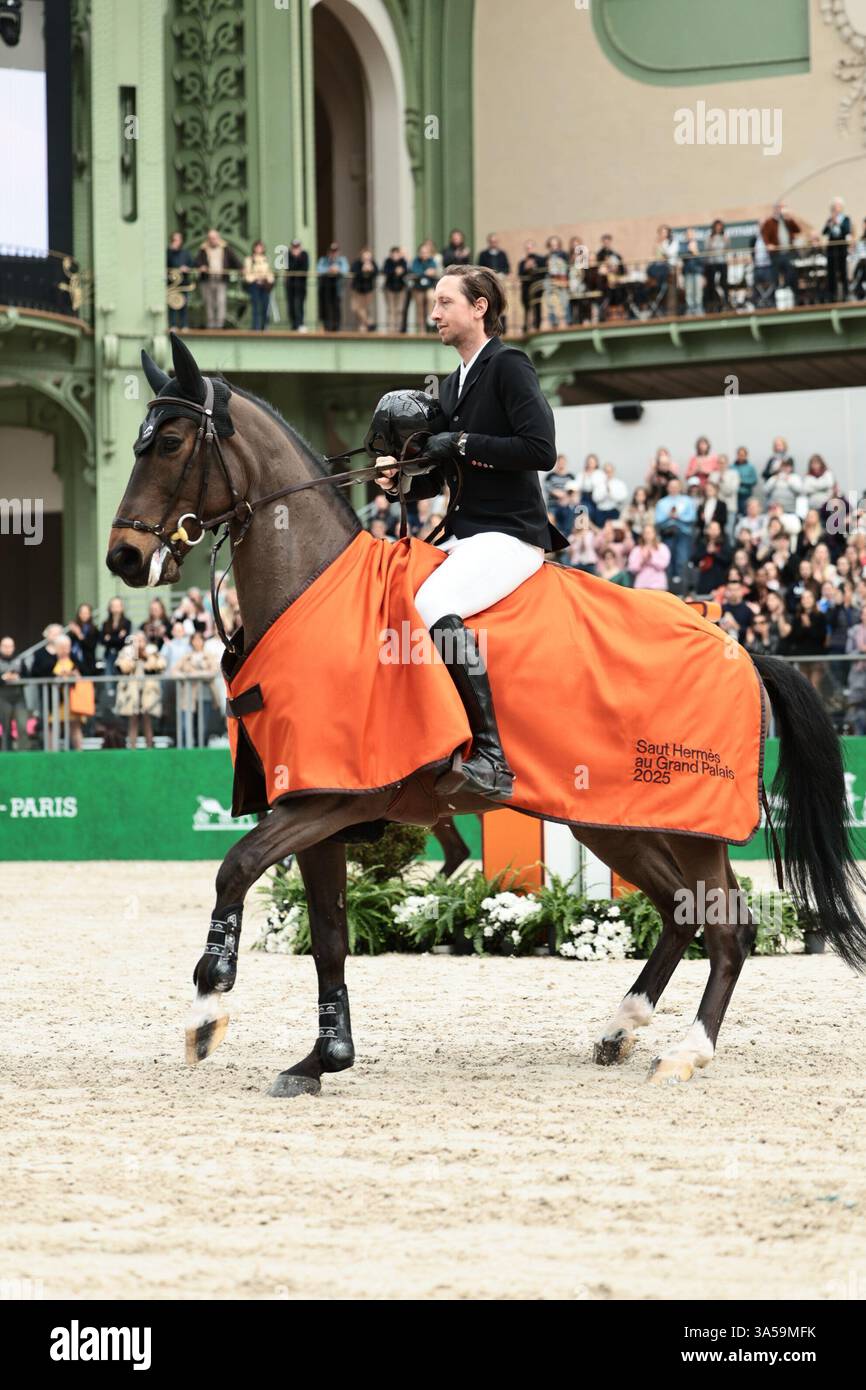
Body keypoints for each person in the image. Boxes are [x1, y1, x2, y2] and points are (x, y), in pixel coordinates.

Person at [369, 265, 568, 801]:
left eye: (443, 303)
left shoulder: (509, 365)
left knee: (433, 603)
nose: (434, 315)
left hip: (511, 534)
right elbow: (442, 479)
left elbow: (540, 450)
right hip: (465, 532)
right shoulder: (454, 383)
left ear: (479, 308)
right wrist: (397, 483)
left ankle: (491, 755)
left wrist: (459, 442)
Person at [115, 633, 166, 749]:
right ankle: (132, 748)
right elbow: (122, 666)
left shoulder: (152, 651)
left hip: (148, 691)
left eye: (142, 640)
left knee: (147, 722)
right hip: (132, 692)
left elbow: (160, 665)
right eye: (137, 640)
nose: (139, 642)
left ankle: (149, 748)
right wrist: (135, 656)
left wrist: (146, 657)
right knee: (133, 721)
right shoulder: (127, 651)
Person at [172, 631, 220, 747]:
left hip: (206, 694)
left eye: (199, 639)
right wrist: (186, 677)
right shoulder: (187, 657)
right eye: (195, 640)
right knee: (187, 724)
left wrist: (198, 674)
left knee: (204, 725)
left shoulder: (209, 656)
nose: (197, 642)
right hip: (190, 695)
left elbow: (214, 671)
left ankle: (202, 746)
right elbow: (174, 671)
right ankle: (189, 747)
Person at [195, 228, 242, 329]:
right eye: (210, 238)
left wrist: (242, 268)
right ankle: (211, 325)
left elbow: (235, 260)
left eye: (214, 238)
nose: (213, 240)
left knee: (220, 302)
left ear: (218, 238)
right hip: (207, 280)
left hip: (221, 280)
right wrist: (201, 267)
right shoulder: (203, 249)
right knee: (209, 303)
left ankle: (219, 325)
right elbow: (197, 262)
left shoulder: (225, 248)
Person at [0, 635, 28, 750]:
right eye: (5, 646)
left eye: (10, 646)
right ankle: (5, 753)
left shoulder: (20, 660)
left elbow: (28, 676)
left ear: (14, 647)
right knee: (5, 728)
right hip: (3, 697)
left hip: (19, 698)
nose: (7, 649)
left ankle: (23, 754)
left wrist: (19, 677)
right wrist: (3, 678)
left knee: (22, 726)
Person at [822, 197, 851, 302]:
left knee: (843, 271)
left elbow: (847, 230)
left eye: (838, 206)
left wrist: (838, 223)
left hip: (841, 249)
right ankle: (832, 294)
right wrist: (830, 223)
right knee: (831, 272)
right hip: (832, 250)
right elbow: (824, 232)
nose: (836, 208)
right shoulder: (830, 220)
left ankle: (846, 293)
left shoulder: (846, 219)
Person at [242, 240, 275, 331]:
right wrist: (256, 277)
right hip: (254, 284)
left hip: (265, 285)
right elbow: (247, 273)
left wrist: (269, 280)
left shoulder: (266, 259)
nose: (259, 249)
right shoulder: (249, 259)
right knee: (256, 305)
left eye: (261, 247)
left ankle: (264, 326)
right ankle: (255, 327)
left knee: (265, 306)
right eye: (257, 247)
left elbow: (269, 272)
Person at [317, 242, 350, 332]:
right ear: (328, 252)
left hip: (337, 288)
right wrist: (329, 270)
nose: (333, 253)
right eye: (332, 251)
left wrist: (337, 269)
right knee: (326, 307)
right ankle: (327, 327)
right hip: (325, 288)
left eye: (335, 251)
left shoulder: (342, 260)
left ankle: (336, 328)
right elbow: (319, 270)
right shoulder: (323, 260)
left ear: (338, 252)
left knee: (336, 308)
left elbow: (345, 270)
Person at [409, 240, 440, 333]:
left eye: (426, 252)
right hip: (417, 287)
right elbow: (415, 272)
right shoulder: (415, 261)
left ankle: (429, 316)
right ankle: (421, 328)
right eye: (422, 252)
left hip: (429, 286)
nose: (424, 254)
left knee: (431, 297)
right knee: (420, 307)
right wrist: (425, 273)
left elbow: (434, 272)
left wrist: (428, 273)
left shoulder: (432, 261)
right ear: (419, 253)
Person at [627, 525, 670, 589]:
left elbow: (664, 564)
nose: (647, 535)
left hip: (658, 585)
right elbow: (632, 568)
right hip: (641, 585)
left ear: (654, 533)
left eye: (649, 532)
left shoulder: (662, 547)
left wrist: (651, 559)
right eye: (645, 533)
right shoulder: (636, 549)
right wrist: (642, 562)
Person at [166, 231, 194, 330]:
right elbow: (166, 263)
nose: (176, 242)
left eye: (177, 240)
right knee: (172, 304)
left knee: (184, 304)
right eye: (174, 240)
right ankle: (173, 325)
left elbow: (191, 264)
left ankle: (184, 325)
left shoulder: (186, 253)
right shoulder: (168, 252)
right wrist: (170, 251)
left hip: (183, 283)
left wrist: (186, 268)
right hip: (172, 284)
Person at [518, 239, 546, 331]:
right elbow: (520, 275)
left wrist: (535, 267)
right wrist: (526, 268)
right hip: (526, 287)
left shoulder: (541, 259)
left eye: (531, 247)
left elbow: (544, 272)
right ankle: (526, 325)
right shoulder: (522, 262)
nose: (529, 249)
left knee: (537, 305)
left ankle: (537, 325)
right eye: (527, 248)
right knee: (526, 307)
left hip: (537, 286)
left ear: (534, 248)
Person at [349, 246, 379, 331]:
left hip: (368, 290)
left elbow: (376, 273)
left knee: (364, 308)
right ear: (362, 256)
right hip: (357, 289)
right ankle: (369, 322)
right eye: (365, 257)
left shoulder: (372, 263)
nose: (367, 259)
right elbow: (354, 272)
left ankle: (363, 325)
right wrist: (363, 270)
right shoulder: (357, 263)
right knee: (356, 308)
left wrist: (371, 270)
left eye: (369, 257)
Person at [100, 597, 131, 676]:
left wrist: (109, 638)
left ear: (122, 607)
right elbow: (102, 641)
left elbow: (125, 640)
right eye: (113, 606)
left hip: (122, 655)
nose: (116, 609)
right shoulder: (105, 623)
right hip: (109, 655)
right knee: (108, 676)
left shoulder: (127, 622)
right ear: (110, 608)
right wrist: (118, 637)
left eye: (118, 606)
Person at [67, 602, 98, 676]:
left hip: (88, 663)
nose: (84, 615)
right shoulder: (73, 630)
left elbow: (91, 646)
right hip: (74, 663)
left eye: (86, 613)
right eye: (82, 612)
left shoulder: (94, 630)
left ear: (90, 614)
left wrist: (79, 634)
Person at [382, 246, 408, 332]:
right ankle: (390, 328)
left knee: (399, 309)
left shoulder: (403, 261)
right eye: (394, 253)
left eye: (397, 253)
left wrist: (402, 271)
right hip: (389, 288)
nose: (395, 255)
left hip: (401, 288)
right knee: (391, 309)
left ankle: (398, 328)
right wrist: (394, 271)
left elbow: (407, 271)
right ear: (391, 254)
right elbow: (385, 271)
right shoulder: (387, 262)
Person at [286, 238, 309, 331]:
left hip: (300, 285)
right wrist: (294, 258)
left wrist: (297, 258)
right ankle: (293, 325)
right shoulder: (287, 255)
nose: (295, 249)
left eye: (297, 246)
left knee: (299, 304)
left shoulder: (304, 255)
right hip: (290, 285)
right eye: (294, 247)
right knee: (291, 305)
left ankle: (300, 323)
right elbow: (288, 268)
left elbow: (304, 268)